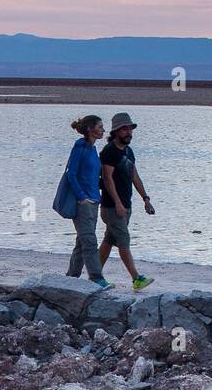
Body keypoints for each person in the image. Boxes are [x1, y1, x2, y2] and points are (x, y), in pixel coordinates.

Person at [99, 112, 155, 291]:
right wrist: (117, 203)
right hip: (112, 206)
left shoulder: (129, 151)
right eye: (124, 129)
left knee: (109, 240)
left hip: (126, 204)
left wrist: (146, 199)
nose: (128, 132)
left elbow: (134, 175)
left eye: (130, 129)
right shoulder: (109, 151)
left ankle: (94, 275)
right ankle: (136, 278)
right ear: (116, 131)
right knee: (124, 239)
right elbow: (107, 178)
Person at [64, 115, 112, 287]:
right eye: (100, 127)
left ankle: (70, 278)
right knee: (90, 241)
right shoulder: (80, 147)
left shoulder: (92, 149)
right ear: (90, 129)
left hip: (94, 201)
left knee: (82, 242)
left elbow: (91, 176)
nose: (103, 130)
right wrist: (81, 197)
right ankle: (96, 278)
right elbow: (71, 173)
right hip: (83, 204)